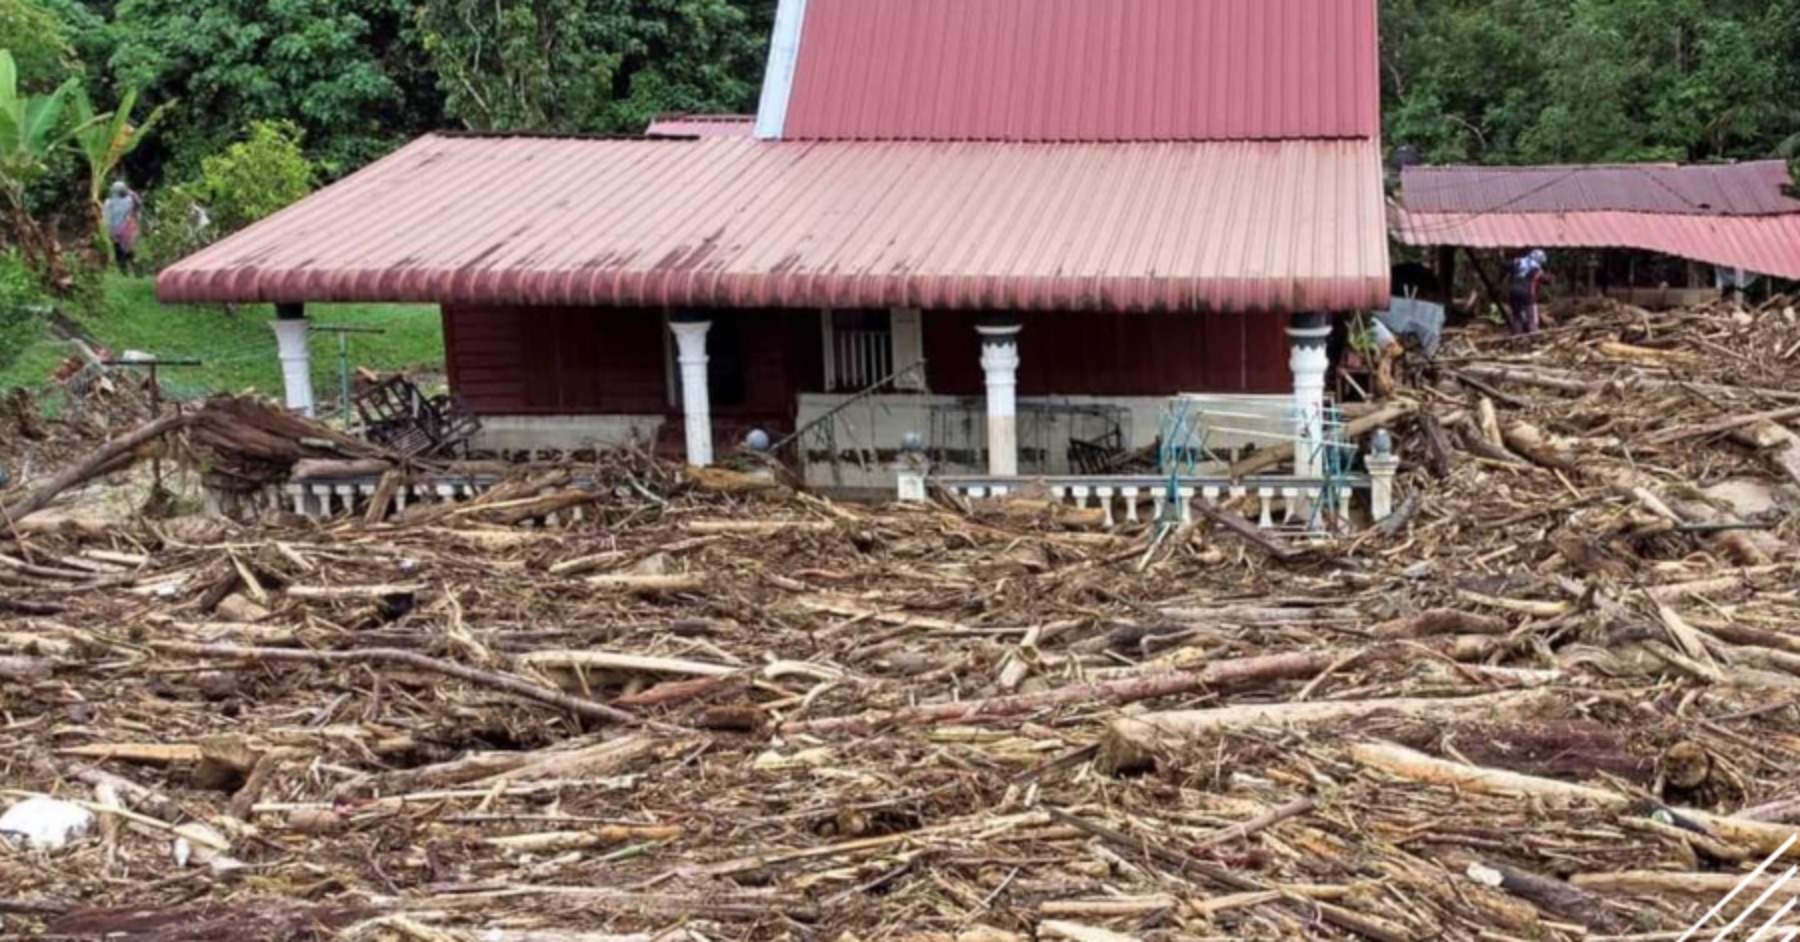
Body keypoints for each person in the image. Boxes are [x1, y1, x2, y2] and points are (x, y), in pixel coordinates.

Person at [102, 181, 143, 274]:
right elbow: (138, 204)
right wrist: (131, 192)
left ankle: (124, 271)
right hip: (126, 229)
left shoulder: (109, 203)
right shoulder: (129, 200)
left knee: (119, 251)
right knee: (128, 250)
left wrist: (108, 231)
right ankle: (135, 269)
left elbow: (106, 218)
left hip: (116, 230)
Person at [1507, 249, 1550, 337]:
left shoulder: (1518, 262)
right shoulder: (1537, 270)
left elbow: (1505, 265)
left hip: (1513, 292)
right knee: (1532, 318)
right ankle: (1534, 338)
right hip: (1528, 293)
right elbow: (1546, 281)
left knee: (1517, 316)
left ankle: (1517, 338)